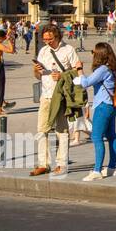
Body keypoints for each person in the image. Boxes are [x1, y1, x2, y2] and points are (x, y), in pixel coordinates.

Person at [31, 24, 82, 179]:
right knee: (42, 130)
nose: (47, 42)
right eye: (45, 39)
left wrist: (62, 76)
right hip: (45, 95)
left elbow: (78, 73)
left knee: (62, 130)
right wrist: (36, 71)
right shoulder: (43, 51)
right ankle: (43, 164)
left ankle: (62, 163)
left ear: (58, 36)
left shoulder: (69, 50)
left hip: (60, 96)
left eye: (50, 39)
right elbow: (37, 76)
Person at [74, 42, 116, 181]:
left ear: (99, 55)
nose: (92, 55)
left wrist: (79, 69)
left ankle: (97, 171)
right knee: (111, 136)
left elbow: (85, 83)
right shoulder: (111, 68)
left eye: (93, 53)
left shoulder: (102, 70)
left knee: (96, 137)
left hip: (103, 106)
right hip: (112, 105)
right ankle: (111, 168)